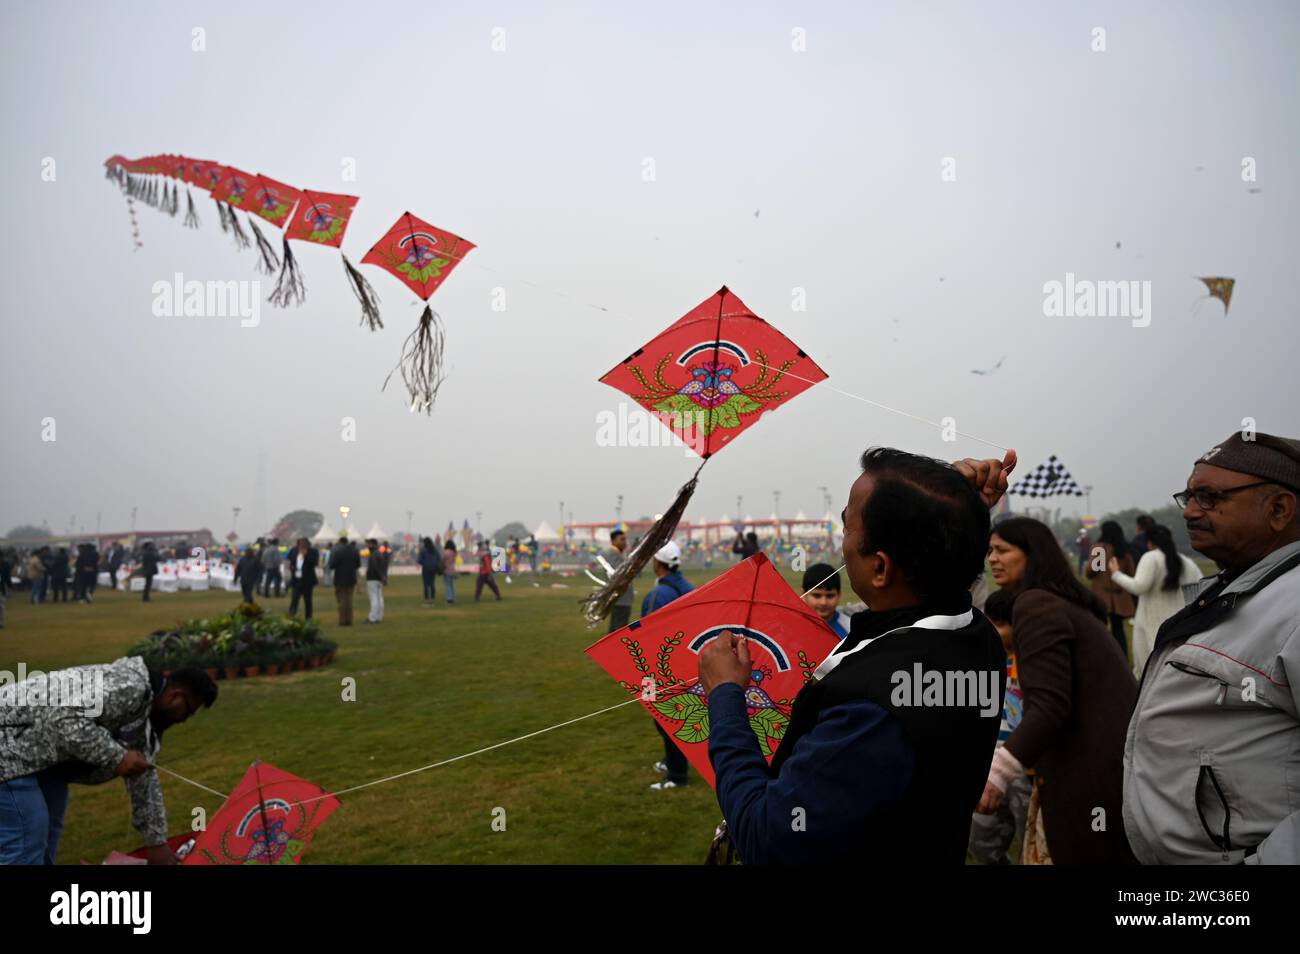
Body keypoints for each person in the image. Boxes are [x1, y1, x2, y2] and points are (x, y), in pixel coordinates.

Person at [699, 447, 1012, 862]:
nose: (842, 541)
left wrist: (725, 696)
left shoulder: (872, 710)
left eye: (848, 526)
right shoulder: (976, 636)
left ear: (880, 569)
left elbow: (766, 836)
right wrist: (950, 509)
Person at [1125, 431, 1300, 864]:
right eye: (1188, 496)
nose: (1190, 511)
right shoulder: (1241, 585)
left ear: (1279, 508)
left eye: (1209, 497)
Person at [984, 517, 1136, 864]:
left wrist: (997, 774)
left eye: (1003, 550)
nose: (992, 558)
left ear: (1032, 555)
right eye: (990, 550)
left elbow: (1050, 706)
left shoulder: (1035, 605)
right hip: (1110, 768)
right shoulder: (1060, 601)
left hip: (1087, 773)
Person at [0, 660, 218, 865]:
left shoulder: (147, 720)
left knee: (47, 836)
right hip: (9, 743)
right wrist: (116, 757)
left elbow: (144, 778)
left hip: (41, 761)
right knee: (27, 836)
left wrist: (156, 843)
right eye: (188, 711)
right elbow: (63, 718)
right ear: (175, 696)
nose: (184, 720)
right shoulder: (130, 687)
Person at [968, 588, 1031, 865]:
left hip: (1024, 770)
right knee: (979, 839)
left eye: (1002, 624)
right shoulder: (982, 663)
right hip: (988, 767)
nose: (994, 630)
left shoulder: (1034, 666)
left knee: (1030, 842)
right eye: (990, 622)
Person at [1108, 524, 1203, 678]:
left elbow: (1139, 586)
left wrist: (1116, 574)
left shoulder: (1150, 558)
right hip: (1180, 627)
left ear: (1149, 543)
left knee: (1147, 671)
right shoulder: (1187, 562)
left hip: (1150, 625)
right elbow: (1200, 588)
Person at [642, 541, 695, 790]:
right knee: (678, 715)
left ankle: (677, 775)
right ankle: (671, 760)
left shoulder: (657, 595)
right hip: (689, 663)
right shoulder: (689, 589)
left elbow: (648, 635)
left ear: (657, 563)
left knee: (663, 716)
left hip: (661, 667)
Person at [1086, 520, 1136, 662]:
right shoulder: (1124, 550)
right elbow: (1131, 573)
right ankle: (1122, 659)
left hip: (1101, 595)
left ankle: (1103, 658)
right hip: (1120, 597)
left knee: (1101, 631)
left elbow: (1092, 571)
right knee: (1119, 630)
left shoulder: (1100, 549)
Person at [594, 527, 633, 632]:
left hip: (620, 597)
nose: (624, 542)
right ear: (613, 540)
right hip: (620, 597)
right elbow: (618, 574)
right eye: (622, 539)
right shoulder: (612, 554)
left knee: (616, 627)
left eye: (625, 539)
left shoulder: (618, 554)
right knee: (619, 629)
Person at [801, 563, 851, 637]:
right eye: (816, 595)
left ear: (839, 595)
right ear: (804, 594)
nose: (823, 602)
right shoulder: (790, 626)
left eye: (830, 596)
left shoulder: (850, 629)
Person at [331, 534, 361, 626]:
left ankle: (342, 621)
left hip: (340, 579)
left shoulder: (338, 551)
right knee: (349, 600)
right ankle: (349, 620)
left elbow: (332, 565)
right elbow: (358, 564)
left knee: (341, 601)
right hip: (351, 578)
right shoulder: (355, 550)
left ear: (340, 542)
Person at [287, 537, 319, 619]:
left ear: (308, 545)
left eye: (304, 545)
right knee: (294, 600)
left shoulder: (313, 551)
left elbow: (315, 563)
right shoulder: (294, 551)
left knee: (308, 601)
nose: (302, 546)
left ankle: (308, 618)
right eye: (301, 544)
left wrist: (306, 555)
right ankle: (291, 616)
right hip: (296, 580)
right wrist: (292, 567)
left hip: (308, 580)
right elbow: (290, 561)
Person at [365, 538, 388, 623]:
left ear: (373, 544)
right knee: (379, 598)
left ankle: (372, 617)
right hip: (379, 579)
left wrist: (380, 576)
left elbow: (375, 567)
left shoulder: (374, 554)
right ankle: (379, 616)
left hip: (373, 578)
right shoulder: (379, 553)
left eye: (369, 544)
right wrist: (383, 578)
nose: (367, 545)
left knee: (374, 598)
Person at [418, 537, 443, 606]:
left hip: (426, 569)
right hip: (433, 569)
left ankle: (426, 601)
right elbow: (439, 558)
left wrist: (424, 563)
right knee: (432, 584)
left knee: (426, 585)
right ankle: (432, 600)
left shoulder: (423, 550)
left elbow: (419, 560)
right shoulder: (434, 550)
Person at [442, 538, 458, 603]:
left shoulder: (446, 552)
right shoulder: (454, 552)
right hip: (452, 569)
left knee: (448, 585)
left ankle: (449, 598)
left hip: (446, 569)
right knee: (452, 585)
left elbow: (442, 560)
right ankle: (454, 597)